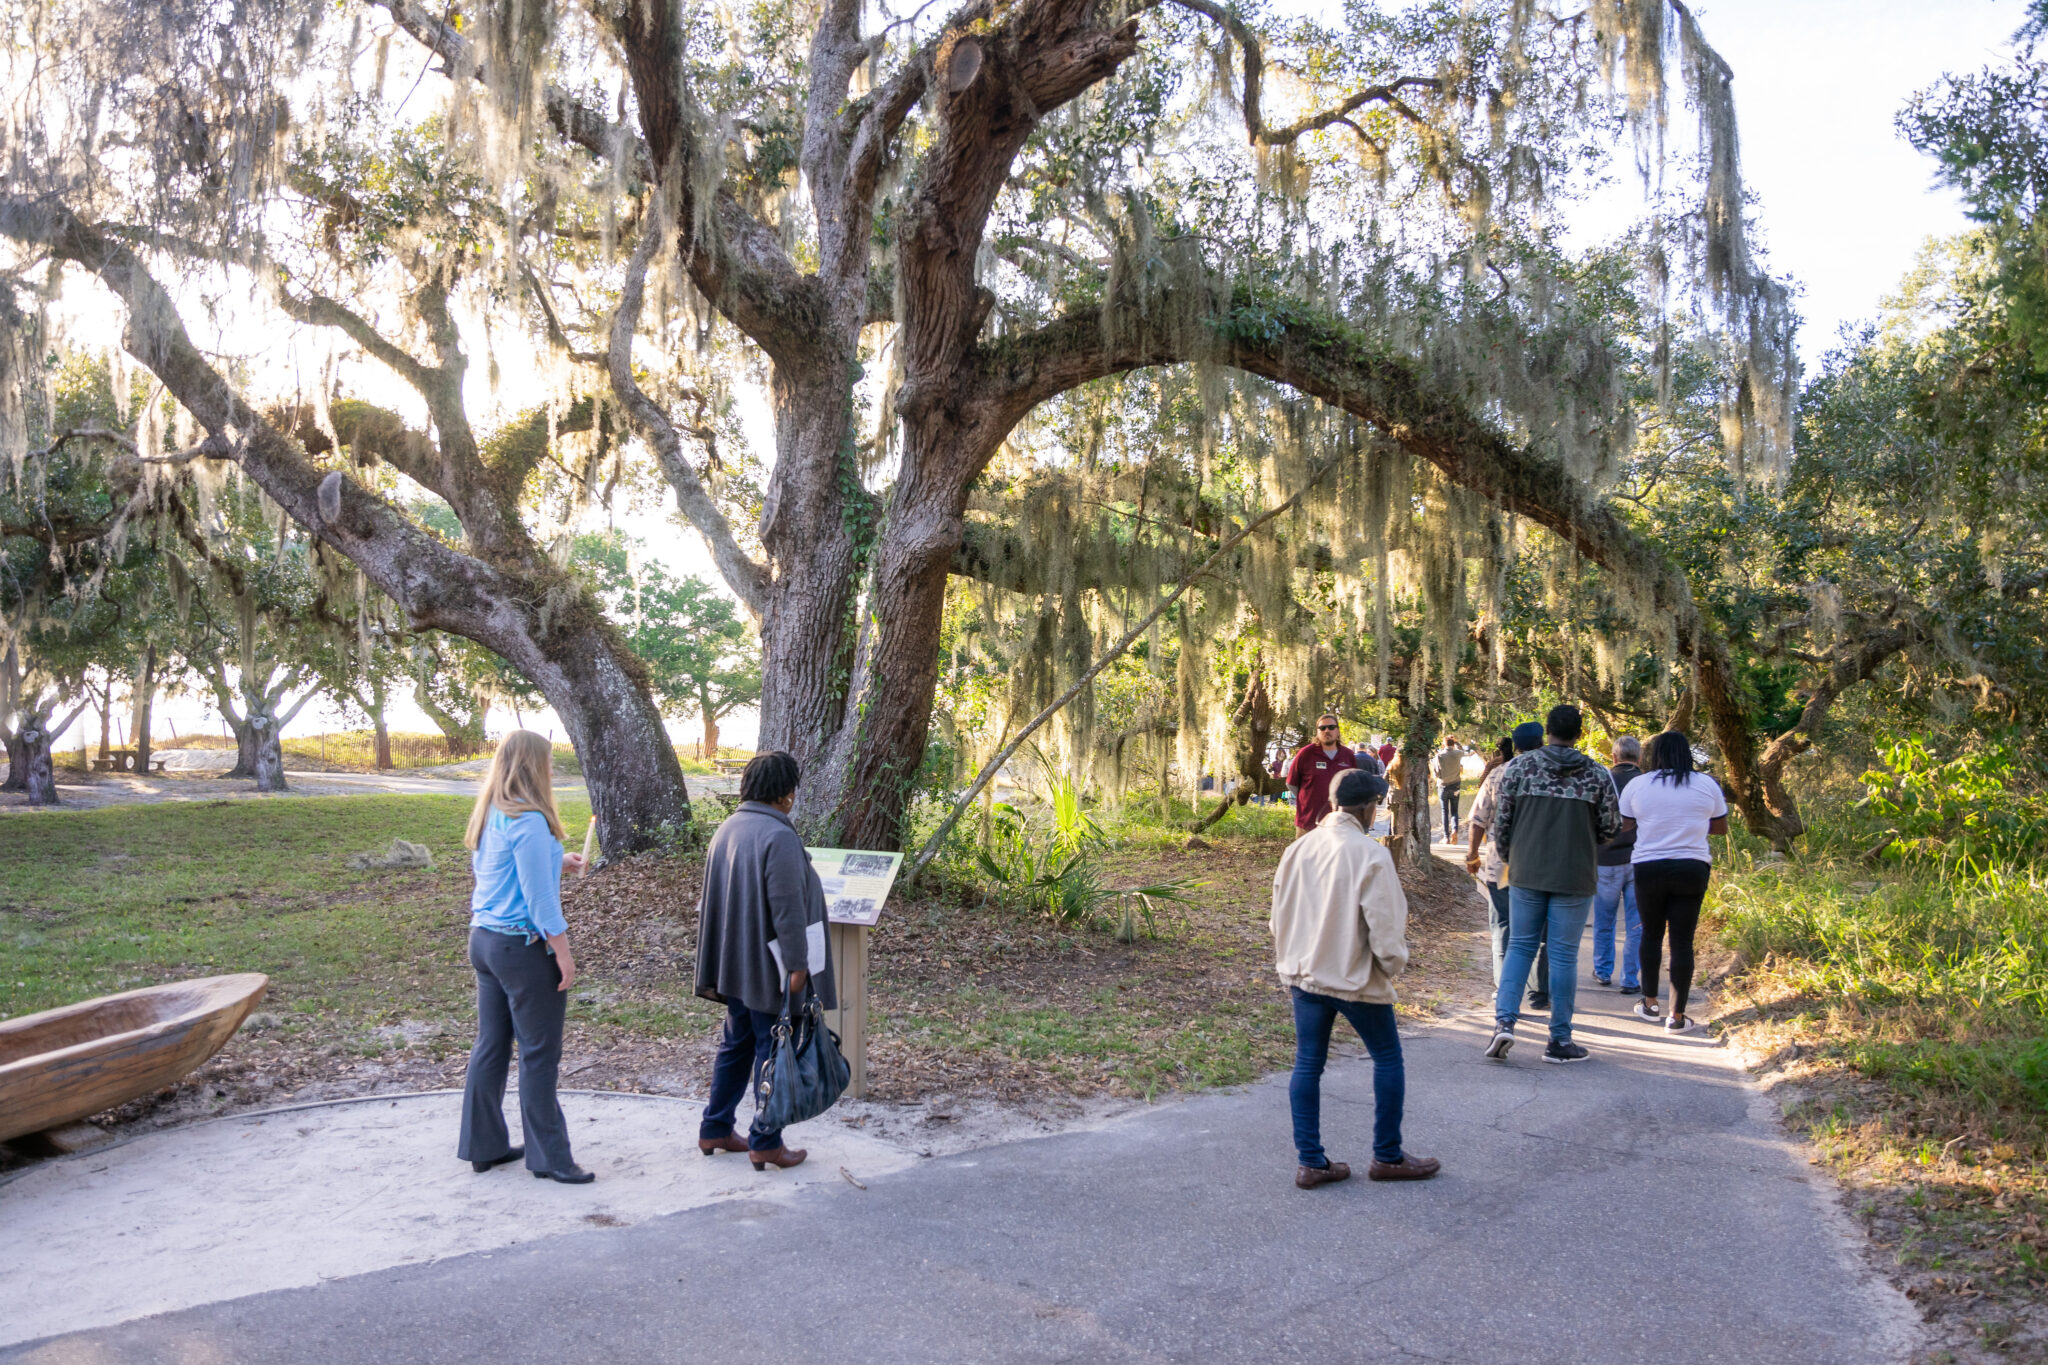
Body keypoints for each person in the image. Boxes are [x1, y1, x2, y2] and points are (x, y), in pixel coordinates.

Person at [1271, 767, 1440, 1188]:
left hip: (1304, 974)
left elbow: (1278, 917)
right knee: (1387, 1058)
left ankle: (1311, 1161)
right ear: (1368, 808)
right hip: (1353, 976)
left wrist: (1292, 957)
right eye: (1376, 805)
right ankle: (1387, 1155)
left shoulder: (1300, 848)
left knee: (1308, 1064)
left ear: (1332, 802)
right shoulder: (1370, 854)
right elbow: (1385, 927)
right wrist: (1392, 965)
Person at [458, 729, 592, 1184]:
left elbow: (509, 874)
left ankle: (484, 1146)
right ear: (535, 766)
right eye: (549, 762)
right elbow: (540, 903)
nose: (553, 769)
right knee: (538, 1053)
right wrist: (564, 953)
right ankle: (551, 1157)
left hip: (485, 941)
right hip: (520, 948)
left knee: (491, 1045)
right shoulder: (531, 820)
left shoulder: (492, 812)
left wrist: (559, 861)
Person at [694, 750, 838, 1170]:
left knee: (737, 1044)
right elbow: (787, 907)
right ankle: (766, 1141)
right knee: (771, 1047)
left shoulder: (729, 828)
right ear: (785, 794)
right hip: (767, 968)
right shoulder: (779, 837)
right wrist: (797, 966)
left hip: (734, 964)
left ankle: (715, 1127)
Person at [1483, 704, 1620, 1064]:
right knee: (1562, 955)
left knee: (1520, 948)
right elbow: (1610, 828)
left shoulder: (1519, 768)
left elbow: (1502, 823)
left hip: (1526, 871)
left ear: (1547, 730)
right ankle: (1559, 1040)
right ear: (1580, 731)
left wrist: (1514, 856)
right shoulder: (1596, 773)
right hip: (1574, 875)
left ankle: (1504, 1023)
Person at [1621, 731, 1730, 1035]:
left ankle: (1650, 1003)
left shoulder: (1639, 784)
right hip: (1692, 867)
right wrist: (1690, 822)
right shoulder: (1706, 784)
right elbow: (1720, 828)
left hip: (1648, 867)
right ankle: (1677, 1017)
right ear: (1687, 754)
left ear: (1653, 755)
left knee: (1651, 935)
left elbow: (1626, 824)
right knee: (1682, 940)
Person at [1465, 725, 1547, 998]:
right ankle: (1538, 990)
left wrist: (1472, 855)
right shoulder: (1551, 774)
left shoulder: (1498, 774)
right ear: (1541, 742)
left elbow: (1477, 821)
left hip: (1503, 862)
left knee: (1503, 925)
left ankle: (1505, 989)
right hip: (1539, 864)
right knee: (1539, 925)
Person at [1592, 735, 1645, 992]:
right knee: (1637, 922)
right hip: (1638, 858)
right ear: (1640, 758)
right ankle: (1630, 978)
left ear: (1613, 757)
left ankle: (1602, 971)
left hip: (1605, 859)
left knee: (1605, 919)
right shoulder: (1647, 783)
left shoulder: (1602, 779)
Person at [1283, 714, 1359, 835]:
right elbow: (1291, 783)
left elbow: (1355, 786)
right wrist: (1308, 799)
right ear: (1317, 732)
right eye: (1322, 728)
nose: (1327, 731)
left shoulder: (1348, 755)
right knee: (1306, 854)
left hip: (1339, 825)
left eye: (1331, 727)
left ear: (1338, 731)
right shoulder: (1306, 754)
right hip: (1308, 824)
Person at [1433, 735, 1471, 843]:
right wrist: (1457, 741)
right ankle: (1455, 830)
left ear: (1444, 744)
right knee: (1454, 811)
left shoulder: (1439, 755)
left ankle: (1446, 837)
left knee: (1445, 811)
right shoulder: (1457, 753)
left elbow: (1436, 772)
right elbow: (1462, 750)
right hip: (1455, 785)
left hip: (1443, 786)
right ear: (1453, 744)